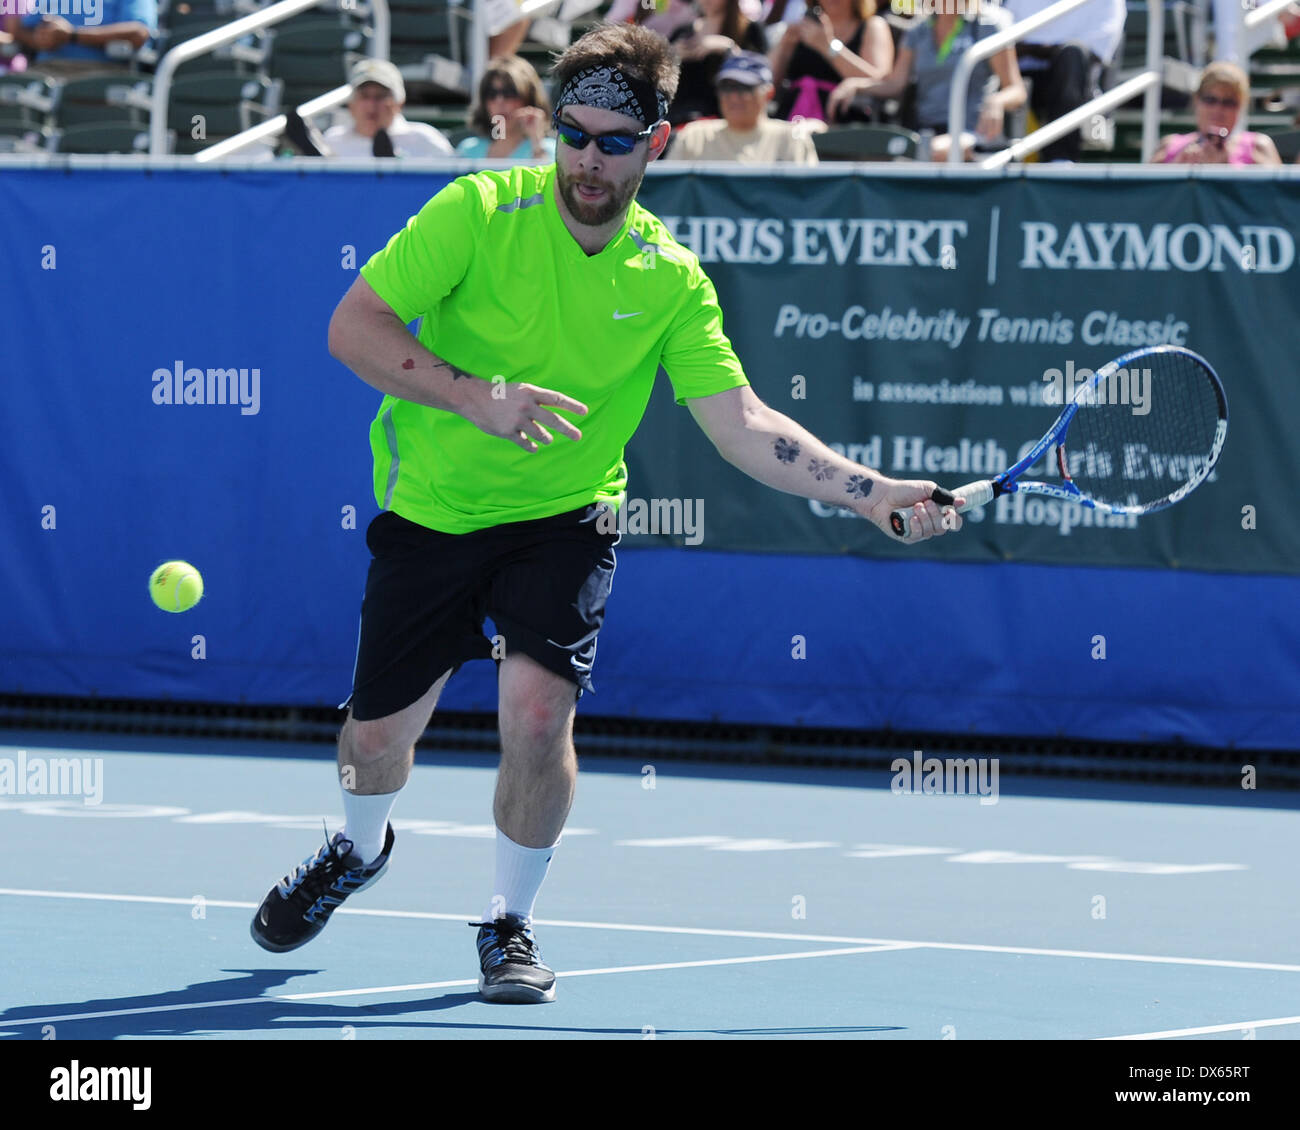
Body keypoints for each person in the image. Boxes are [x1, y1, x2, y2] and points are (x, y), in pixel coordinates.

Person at [248, 22, 964, 1003]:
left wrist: (872, 493)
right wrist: (472, 394)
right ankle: (359, 847)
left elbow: (743, 423)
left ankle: (507, 920)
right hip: (435, 507)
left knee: (537, 715)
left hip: (566, 514)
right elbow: (352, 326)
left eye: (615, 141)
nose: (588, 158)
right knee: (374, 744)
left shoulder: (668, 281)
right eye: (572, 133)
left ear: (657, 143)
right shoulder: (476, 210)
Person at [827, 0, 1024, 162]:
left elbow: (1017, 90)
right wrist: (854, 85)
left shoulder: (986, 27)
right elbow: (895, 83)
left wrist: (996, 101)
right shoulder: (918, 30)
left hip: (974, 132)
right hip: (924, 132)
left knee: (935, 150)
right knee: (885, 147)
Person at [1004, 0, 1125, 163]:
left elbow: (1095, 52)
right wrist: (1047, 48)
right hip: (1016, 77)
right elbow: (1002, 39)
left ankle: (1060, 159)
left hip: (1077, 85)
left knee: (1071, 56)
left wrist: (1034, 49)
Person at [666, 51, 818, 162]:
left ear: (769, 93)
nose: (733, 97)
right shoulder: (695, 136)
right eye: (726, 88)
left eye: (744, 88)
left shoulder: (791, 138)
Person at [769, 0, 893, 123]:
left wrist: (828, 48)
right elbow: (768, 82)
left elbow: (881, 82)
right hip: (792, 118)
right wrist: (785, 44)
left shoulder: (872, 26)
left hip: (843, 122)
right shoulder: (805, 23)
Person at [1151, 61, 1281, 165]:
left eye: (1229, 102)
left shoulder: (1258, 147)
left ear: (1240, 106)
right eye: (1210, 100)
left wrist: (1228, 169)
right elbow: (1145, 194)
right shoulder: (1170, 146)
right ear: (1197, 100)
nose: (1218, 109)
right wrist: (1177, 172)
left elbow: (1278, 195)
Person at [321, 58, 454, 159]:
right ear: (351, 104)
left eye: (380, 96)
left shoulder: (426, 140)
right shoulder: (332, 141)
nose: (371, 105)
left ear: (399, 103)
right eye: (364, 96)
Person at [667, 0, 768, 125]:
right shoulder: (683, 32)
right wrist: (673, 56)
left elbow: (760, 74)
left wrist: (729, 49)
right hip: (680, 119)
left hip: (725, 117)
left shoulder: (750, 30)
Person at [13, 0, 155, 77]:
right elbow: (23, 28)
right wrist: (40, 38)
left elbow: (139, 33)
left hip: (100, 74)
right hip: (45, 71)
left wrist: (72, 35)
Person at [457, 55, 555, 161]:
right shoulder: (468, 150)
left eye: (509, 92)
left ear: (529, 98)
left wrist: (537, 144)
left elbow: (545, 176)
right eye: (491, 93)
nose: (500, 101)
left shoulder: (549, 150)